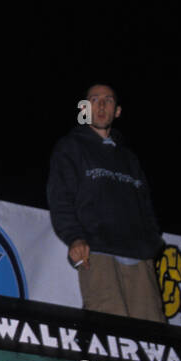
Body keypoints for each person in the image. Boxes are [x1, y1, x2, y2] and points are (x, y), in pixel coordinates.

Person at [46, 84, 166, 322]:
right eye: (94, 99)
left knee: (153, 335)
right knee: (110, 329)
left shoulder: (129, 157)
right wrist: (74, 237)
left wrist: (152, 242)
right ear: (84, 108)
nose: (101, 105)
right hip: (98, 253)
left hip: (139, 258)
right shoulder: (70, 148)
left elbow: (146, 206)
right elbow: (60, 198)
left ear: (117, 111)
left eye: (108, 100)